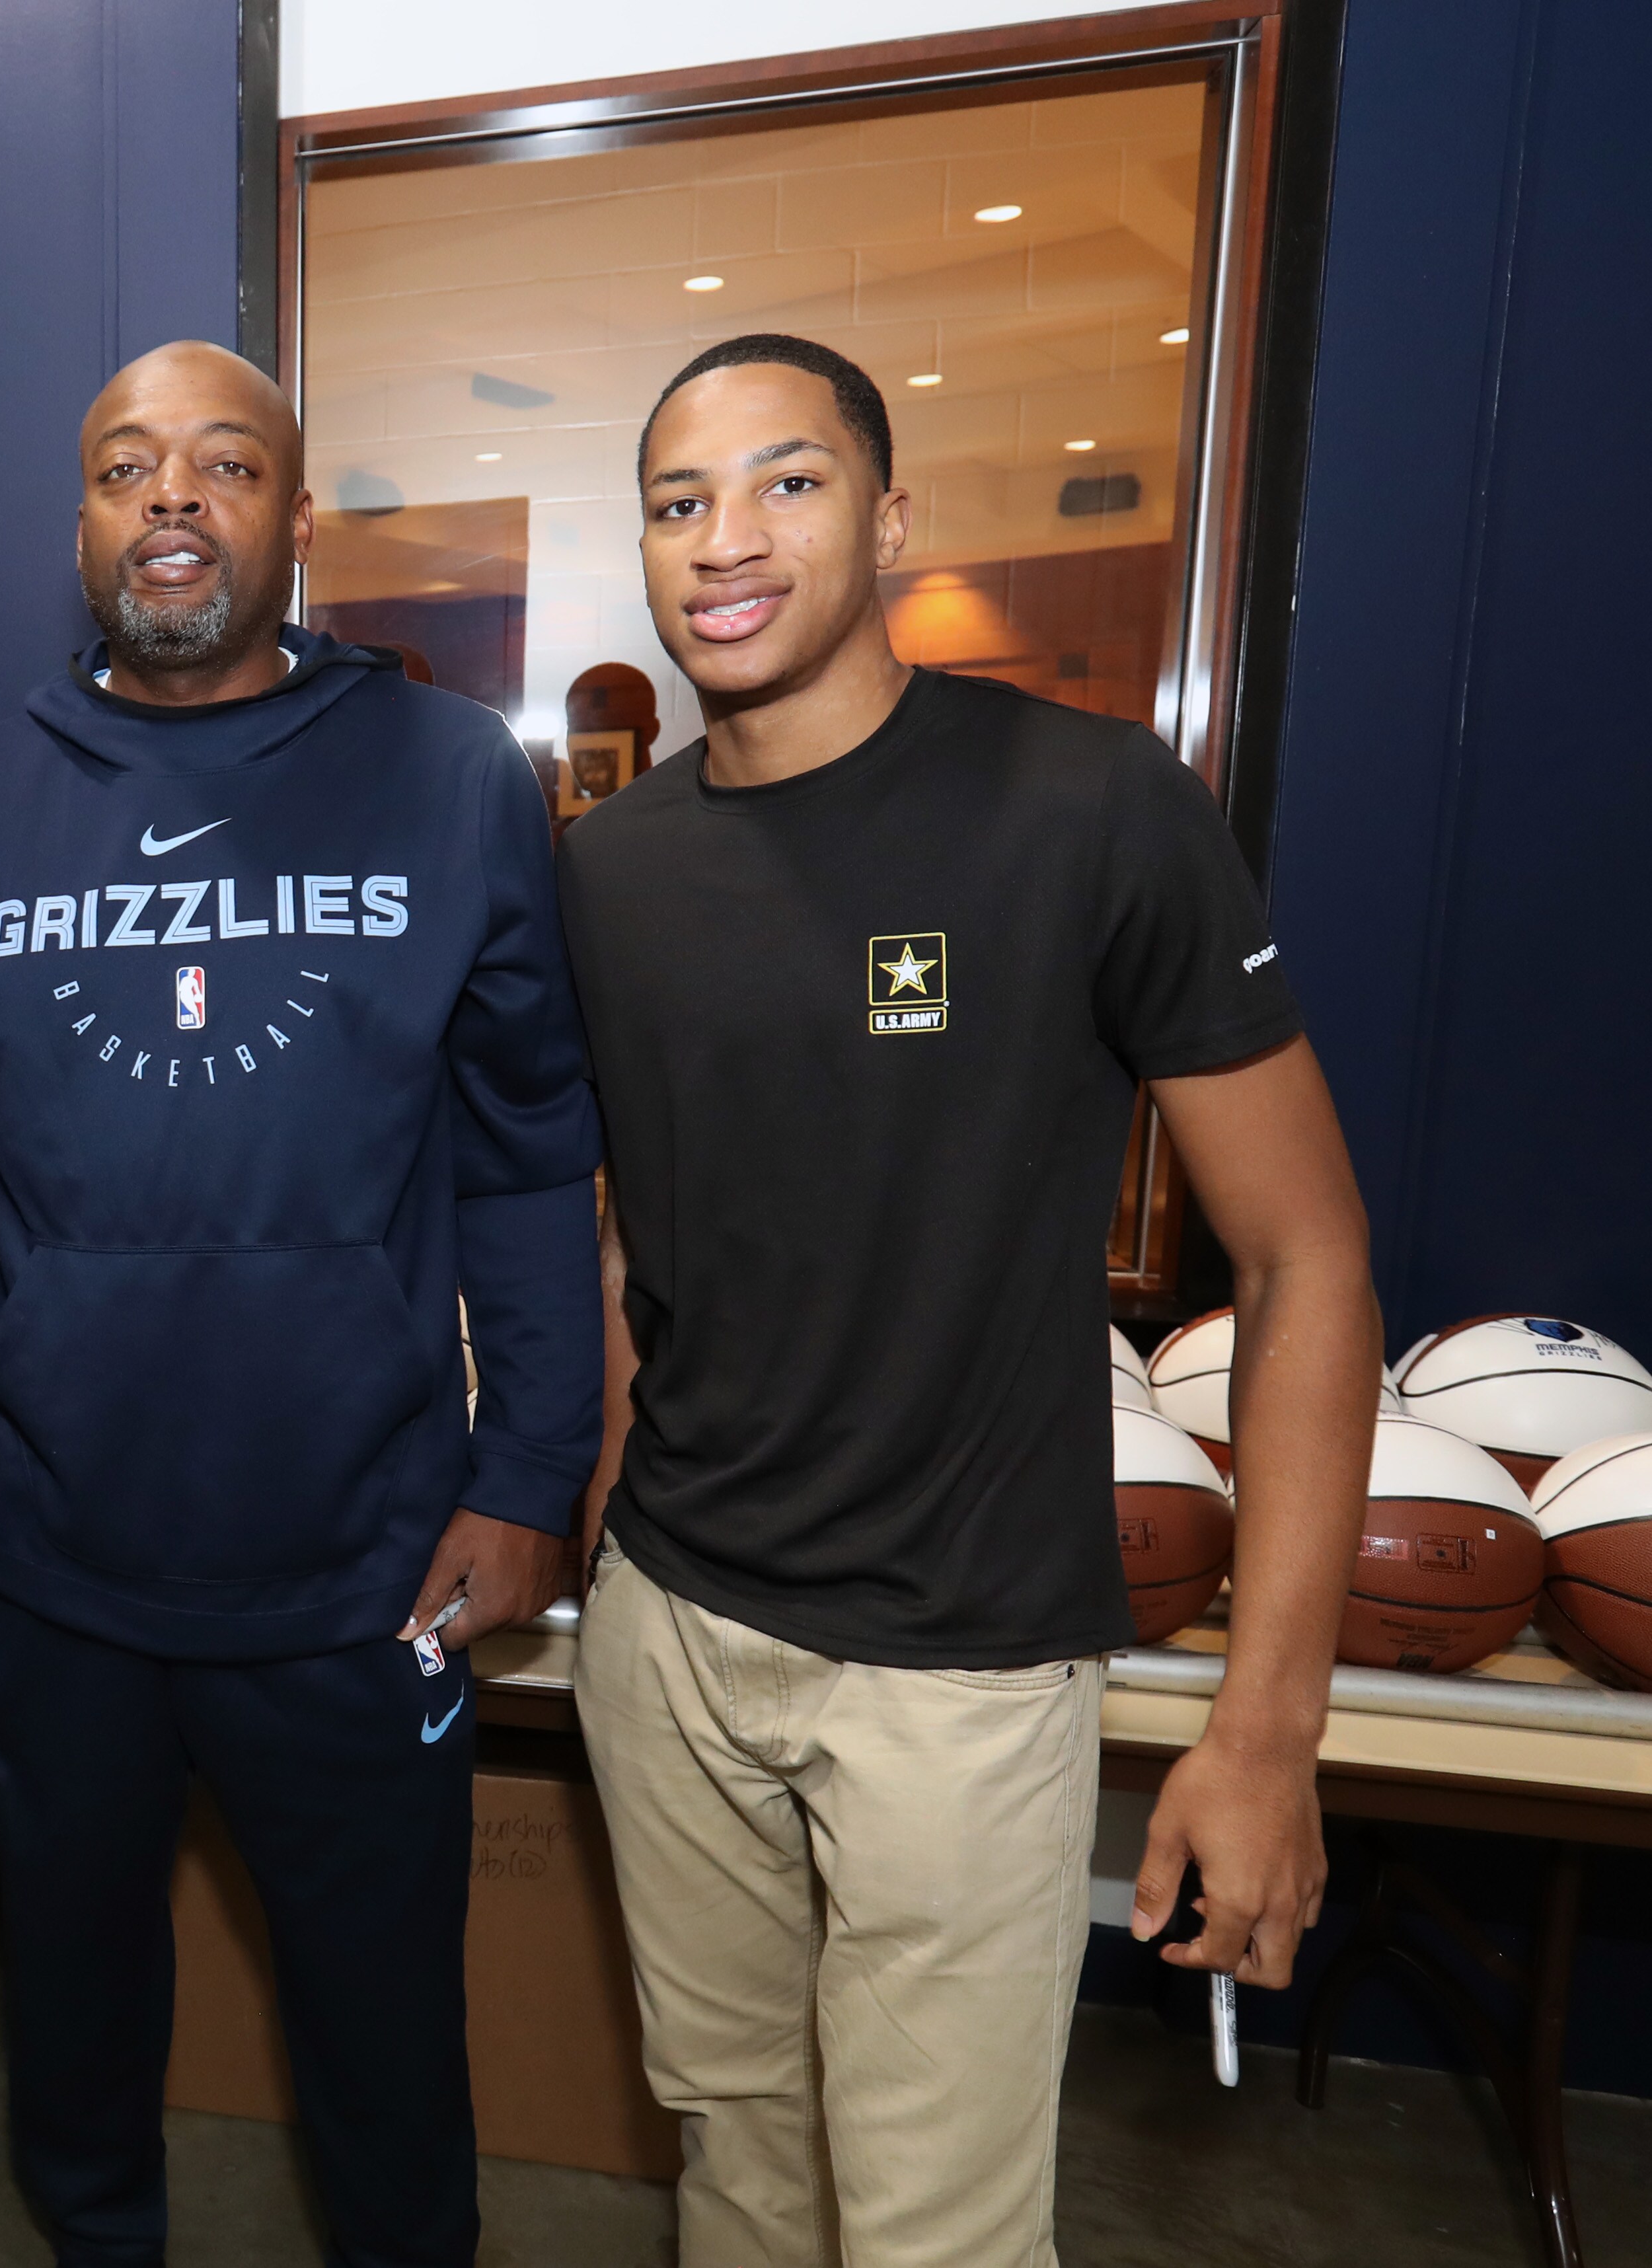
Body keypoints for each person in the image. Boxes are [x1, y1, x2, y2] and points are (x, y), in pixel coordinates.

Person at [556, 333, 1375, 2268]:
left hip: (959, 1673)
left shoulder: (1085, 807)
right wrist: (606, 1551)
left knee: (939, 2236)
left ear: (889, 517)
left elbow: (1306, 1258)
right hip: (672, 1640)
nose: (725, 538)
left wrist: (1266, 1733)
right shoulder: (614, 868)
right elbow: (624, 1236)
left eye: (787, 482)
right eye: (677, 501)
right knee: (735, 2170)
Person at [0, 340, 604, 2267]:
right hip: (58, 1570)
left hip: (366, 1573)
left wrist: (531, 1472)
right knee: (78, 2054)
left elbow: (531, 1154)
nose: (172, 496)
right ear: (83, 526)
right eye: (126, 467)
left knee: (386, 2062)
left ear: (294, 518)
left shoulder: (449, 777)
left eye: (224, 463)